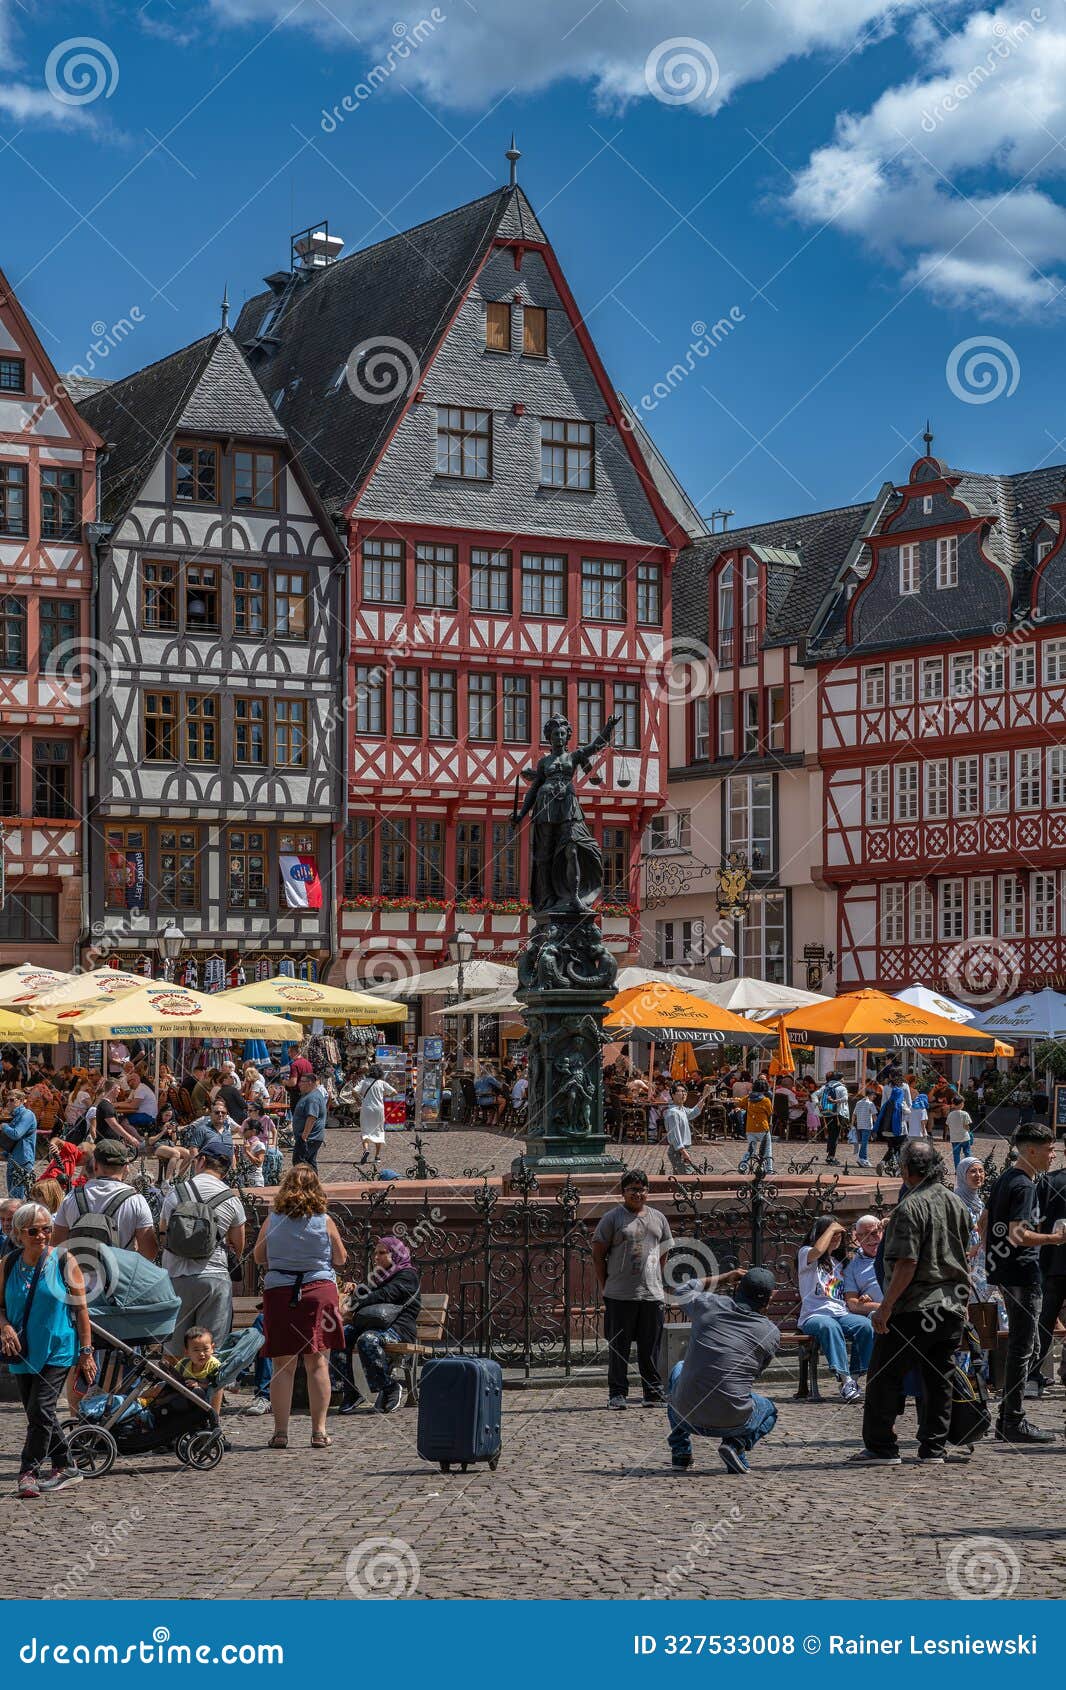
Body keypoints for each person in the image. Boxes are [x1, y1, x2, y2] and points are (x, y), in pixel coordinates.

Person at [850, 1138, 974, 1465]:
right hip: (951, 1304)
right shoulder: (956, 1202)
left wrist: (885, 1307)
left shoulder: (910, 1206)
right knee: (939, 1379)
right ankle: (933, 1449)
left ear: (906, 1169)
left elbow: (907, 1262)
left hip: (915, 1307)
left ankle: (881, 1447)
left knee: (884, 1376)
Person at [1, 1201, 96, 1497]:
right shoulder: (7, 1264)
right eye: (33, 1230)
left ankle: (28, 1471)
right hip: (22, 1350)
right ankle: (65, 1464)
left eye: (46, 1229)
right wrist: (4, 1326)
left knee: (41, 1408)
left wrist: (86, 1351)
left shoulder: (65, 1260)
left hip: (58, 1347)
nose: (41, 1236)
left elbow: (81, 1311)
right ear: (19, 1232)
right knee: (36, 1414)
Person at [252, 1165, 347, 1449]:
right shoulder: (325, 1220)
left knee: (283, 1366)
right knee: (317, 1362)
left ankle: (281, 1432)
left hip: (280, 1291)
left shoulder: (273, 1220)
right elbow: (341, 1259)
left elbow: (258, 1257)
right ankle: (319, 1431)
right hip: (318, 1291)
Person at [985, 1122, 1061, 1444]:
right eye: (1049, 1149)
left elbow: (985, 1219)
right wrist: (1055, 1238)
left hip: (1004, 1272)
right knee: (1023, 1347)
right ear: (1031, 1150)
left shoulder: (1006, 1178)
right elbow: (1018, 1234)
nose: (1053, 1155)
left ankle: (1008, 1417)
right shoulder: (1025, 1185)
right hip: (1022, 1274)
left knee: (1020, 1344)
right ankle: (1013, 1419)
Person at [666, 1266, 780, 1473]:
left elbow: (682, 1289)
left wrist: (725, 1277)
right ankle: (736, 1445)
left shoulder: (708, 1305)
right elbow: (755, 1373)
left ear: (738, 1289)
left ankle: (680, 1452)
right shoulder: (770, 1332)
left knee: (679, 1368)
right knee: (768, 1410)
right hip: (732, 1418)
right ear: (768, 1301)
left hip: (686, 1415)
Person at [592, 1170, 672, 1409]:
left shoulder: (658, 1218)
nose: (638, 1193)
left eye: (642, 1189)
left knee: (651, 1347)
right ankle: (617, 1393)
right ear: (623, 1192)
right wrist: (605, 1285)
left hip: (651, 1294)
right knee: (620, 1348)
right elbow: (598, 1254)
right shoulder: (612, 1218)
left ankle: (652, 1392)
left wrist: (657, 1279)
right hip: (620, 1294)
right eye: (633, 1189)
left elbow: (664, 1251)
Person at [159, 1136, 246, 1352]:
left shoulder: (177, 1192)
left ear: (202, 1160)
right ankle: (208, 1386)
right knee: (211, 1354)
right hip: (214, 1276)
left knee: (174, 1353)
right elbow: (239, 1244)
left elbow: (162, 1232)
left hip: (176, 1276)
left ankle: (175, 1385)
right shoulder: (231, 1198)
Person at [337, 1234, 422, 1415]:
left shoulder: (408, 1275)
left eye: (381, 1253)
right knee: (340, 1335)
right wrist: (353, 1289)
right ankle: (350, 1391)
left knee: (367, 1340)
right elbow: (364, 1292)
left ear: (395, 1253)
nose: (376, 1257)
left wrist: (352, 1305)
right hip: (373, 1325)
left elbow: (383, 1295)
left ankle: (389, 1386)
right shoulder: (379, 1276)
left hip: (398, 1329)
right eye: (375, 1253)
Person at [797, 1214, 873, 1402]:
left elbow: (847, 1293)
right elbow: (817, 1251)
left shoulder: (841, 1264)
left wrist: (863, 1298)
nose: (837, 1237)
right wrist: (832, 1227)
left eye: (839, 1235)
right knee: (829, 1327)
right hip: (814, 1316)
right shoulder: (806, 1253)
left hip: (841, 1313)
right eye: (832, 1234)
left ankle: (853, 1380)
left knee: (866, 1326)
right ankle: (844, 1379)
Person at [52, 1140, 157, 1259]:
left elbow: (56, 1246)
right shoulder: (136, 1200)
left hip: (78, 1273)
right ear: (126, 1167)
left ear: (95, 1165)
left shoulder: (72, 1197)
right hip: (120, 1274)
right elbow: (149, 1252)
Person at [663, 1082, 709, 1174]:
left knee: (680, 1178)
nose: (683, 1094)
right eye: (680, 1092)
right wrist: (683, 1152)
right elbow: (674, 1135)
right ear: (673, 1094)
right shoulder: (673, 1112)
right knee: (686, 1177)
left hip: (682, 1149)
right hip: (678, 1151)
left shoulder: (682, 1109)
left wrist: (704, 1096)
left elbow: (695, 1112)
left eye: (685, 1092)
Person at [355, 1064, 396, 1169]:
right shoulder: (381, 1083)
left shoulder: (364, 1082)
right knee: (378, 1130)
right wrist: (385, 1096)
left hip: (366, 1108)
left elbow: (354, 1091)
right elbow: (394, 1092)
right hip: (379, 1109)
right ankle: (377, 1156)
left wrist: (358, 1100)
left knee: (365, 1130)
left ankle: (366, 1149)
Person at [843, 1216, 884, 1315]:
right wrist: (885, 1308)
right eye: (865, 1235)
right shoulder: (852, 1266)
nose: (870, 1239)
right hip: (878, 1314)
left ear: (882, 1232)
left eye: (874, 1233)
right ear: (857, 1238)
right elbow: (853, 1304)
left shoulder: (897, 1252)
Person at [1, 1090, 37, 1198]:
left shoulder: (27, 1115)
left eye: (12, 1100)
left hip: (23, 1162)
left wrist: (4, 1126)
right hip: (13, 1160)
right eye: (7, 1100)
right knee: (12, 1197)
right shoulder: (16, 1116)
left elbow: (16, 1134)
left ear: (21, 1101)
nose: (8, 1103)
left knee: (18, 1199)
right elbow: (14, 1142)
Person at [875, 1070, 911, 1172]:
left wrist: (883, 1118)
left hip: (887, 1122)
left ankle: (885, 1162)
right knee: (902, 1146)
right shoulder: (904, 1087)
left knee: (892, 1146)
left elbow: (883, 1104)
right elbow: (909, 1102)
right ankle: (899, 1166)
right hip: (900, 1123)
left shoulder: (886, 1087)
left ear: (891, 1076)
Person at [738, 1077, 774, 1175]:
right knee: (767, 1149)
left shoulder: (749, 1098)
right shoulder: (766, 1100)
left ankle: (743, 1165)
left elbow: (740, 1103)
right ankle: (769, 1169)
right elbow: (770, 1113)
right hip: (763, 1128)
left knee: (751, 1149)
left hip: (750, 1128)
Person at [852, 1084, 876, 1169]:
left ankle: (864, 1159)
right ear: (870, 1095)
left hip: (859, 1126)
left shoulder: (858, 1102)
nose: (874, 1097)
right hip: (867, 1126)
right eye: (873, 1095)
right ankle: (861, 1158)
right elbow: (874, 1116)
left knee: (863, 1142)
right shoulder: (870, 1104)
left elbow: (854, 1115)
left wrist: (852, 1125)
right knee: (864, 1143)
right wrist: (876, 1125)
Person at [946, 1094, 974, 1169]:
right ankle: (968, 1167)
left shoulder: (950, 1114)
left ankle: (957, 1169)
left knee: (956, 1155)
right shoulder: (965, 1114)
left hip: (954, 1139)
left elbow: (948, 1125)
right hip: (964, 1137)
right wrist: (970, 1132)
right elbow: (966, 1126)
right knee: (967, 1153)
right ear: (961, 1104)